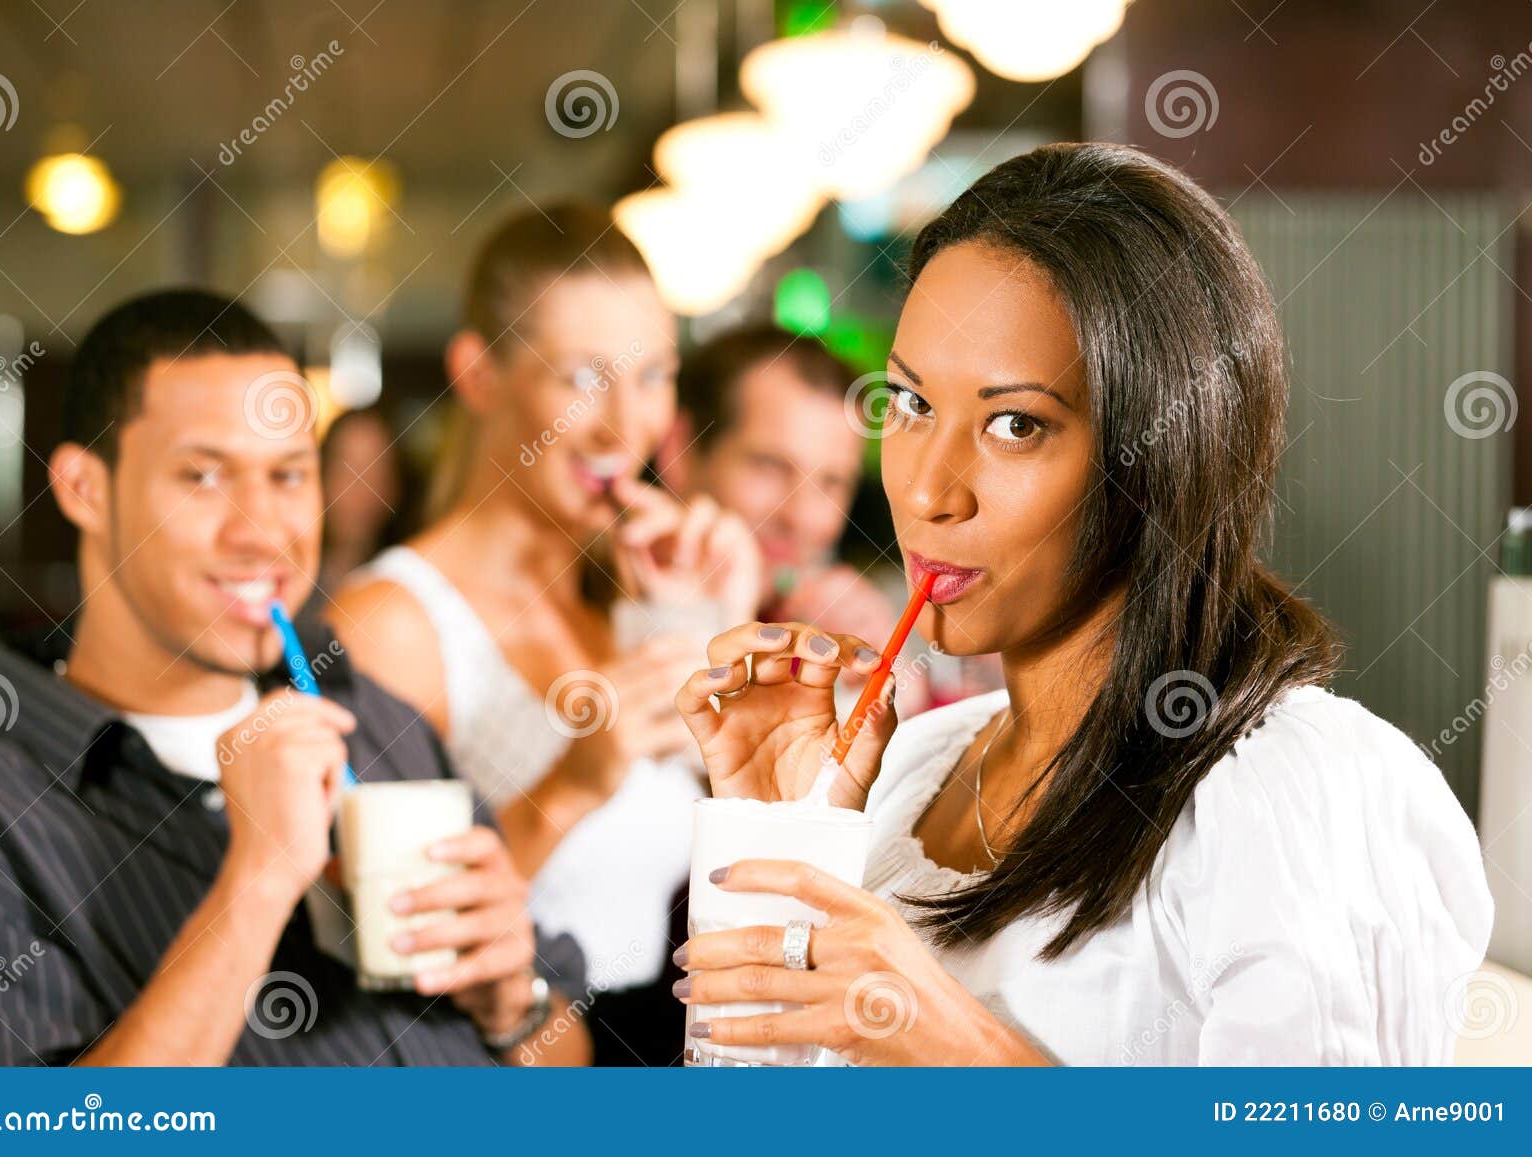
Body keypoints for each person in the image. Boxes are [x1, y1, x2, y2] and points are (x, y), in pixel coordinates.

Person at [669, 143, 1494, 1065]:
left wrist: (959, 1047)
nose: (931, 491)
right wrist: (792, 838)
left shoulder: (1289, 788)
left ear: (1163, 456)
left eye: (1015, 424)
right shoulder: (915, 771)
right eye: (908, 403)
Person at [0, 289, 587, 1066]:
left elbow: (564, 1053)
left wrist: (514, 1000)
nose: (260, 532)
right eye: (203, 477)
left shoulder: (370, 714)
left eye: (287, 476)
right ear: (84, 488)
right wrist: (259, 879)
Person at [328, 205, 760, 1064]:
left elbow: (750, 866)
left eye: (652, 376)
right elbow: (389, 939)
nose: (622, 425)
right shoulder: (392, 623)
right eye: (581, 377)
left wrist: (721, 622)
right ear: (479, 374)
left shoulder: (633, 592)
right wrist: (568, 786)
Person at [659, 324, 934, 718]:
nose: (801, 516)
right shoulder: (597, 613)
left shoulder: (844, 639)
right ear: (680, 450)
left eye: (831, 482)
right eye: (770, 466)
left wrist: (897, 696)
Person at [317, 408, 403, 597]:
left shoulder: (403, 586)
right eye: (348, 471)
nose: (363, 491)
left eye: (377, 472)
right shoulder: (288, 589)